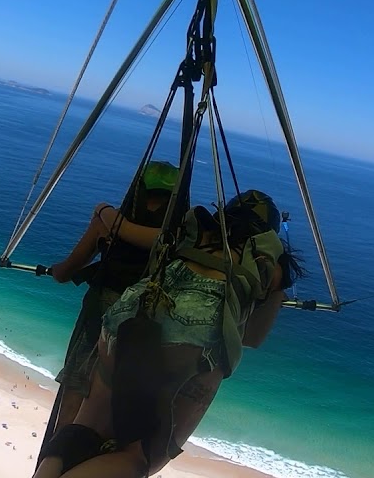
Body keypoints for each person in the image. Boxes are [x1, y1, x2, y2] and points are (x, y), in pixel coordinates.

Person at [35, 190, 304, 478]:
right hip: (191, 336)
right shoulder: (271, 263)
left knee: (86, 427)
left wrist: (102, 210)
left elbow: (123, 228)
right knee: (143, 457)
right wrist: (273, 293)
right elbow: (252, 338)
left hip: (132, 310)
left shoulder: (194, 229)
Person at [40, 161, 181, 452]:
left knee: (75, 395)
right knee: (117, 404)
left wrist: (56, 270)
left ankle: (58, 460)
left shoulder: (111, 224)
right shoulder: (181, 235)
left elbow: (66, 271)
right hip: (148, 325)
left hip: (103, 316)